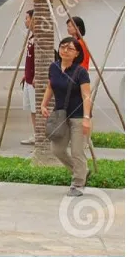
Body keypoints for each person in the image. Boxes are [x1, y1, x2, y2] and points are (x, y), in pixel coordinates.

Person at [40, 37, 93, 196]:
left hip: (78, 117)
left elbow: (86, 96)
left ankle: (78, 183)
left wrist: (86, 118)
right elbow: (50, 86)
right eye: (63, 47)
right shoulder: (54, 67)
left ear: (77, 53)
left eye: (70, 48)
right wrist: (43, 104)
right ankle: (82, 171)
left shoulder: (81, 72)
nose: (65, 50)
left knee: (77, 151)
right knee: (57, 149)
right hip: (60, 116)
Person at [20, 10, 37, 146]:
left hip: (35, 81)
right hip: (29, 79)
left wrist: (37, 75)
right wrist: (26, 75)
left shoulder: (40, 39)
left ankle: (41, 135)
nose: (25, 21)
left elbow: (43, 59)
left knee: (36, 109)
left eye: (27, 18)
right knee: (32, 109)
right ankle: (36, 134)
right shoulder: (31, 38)